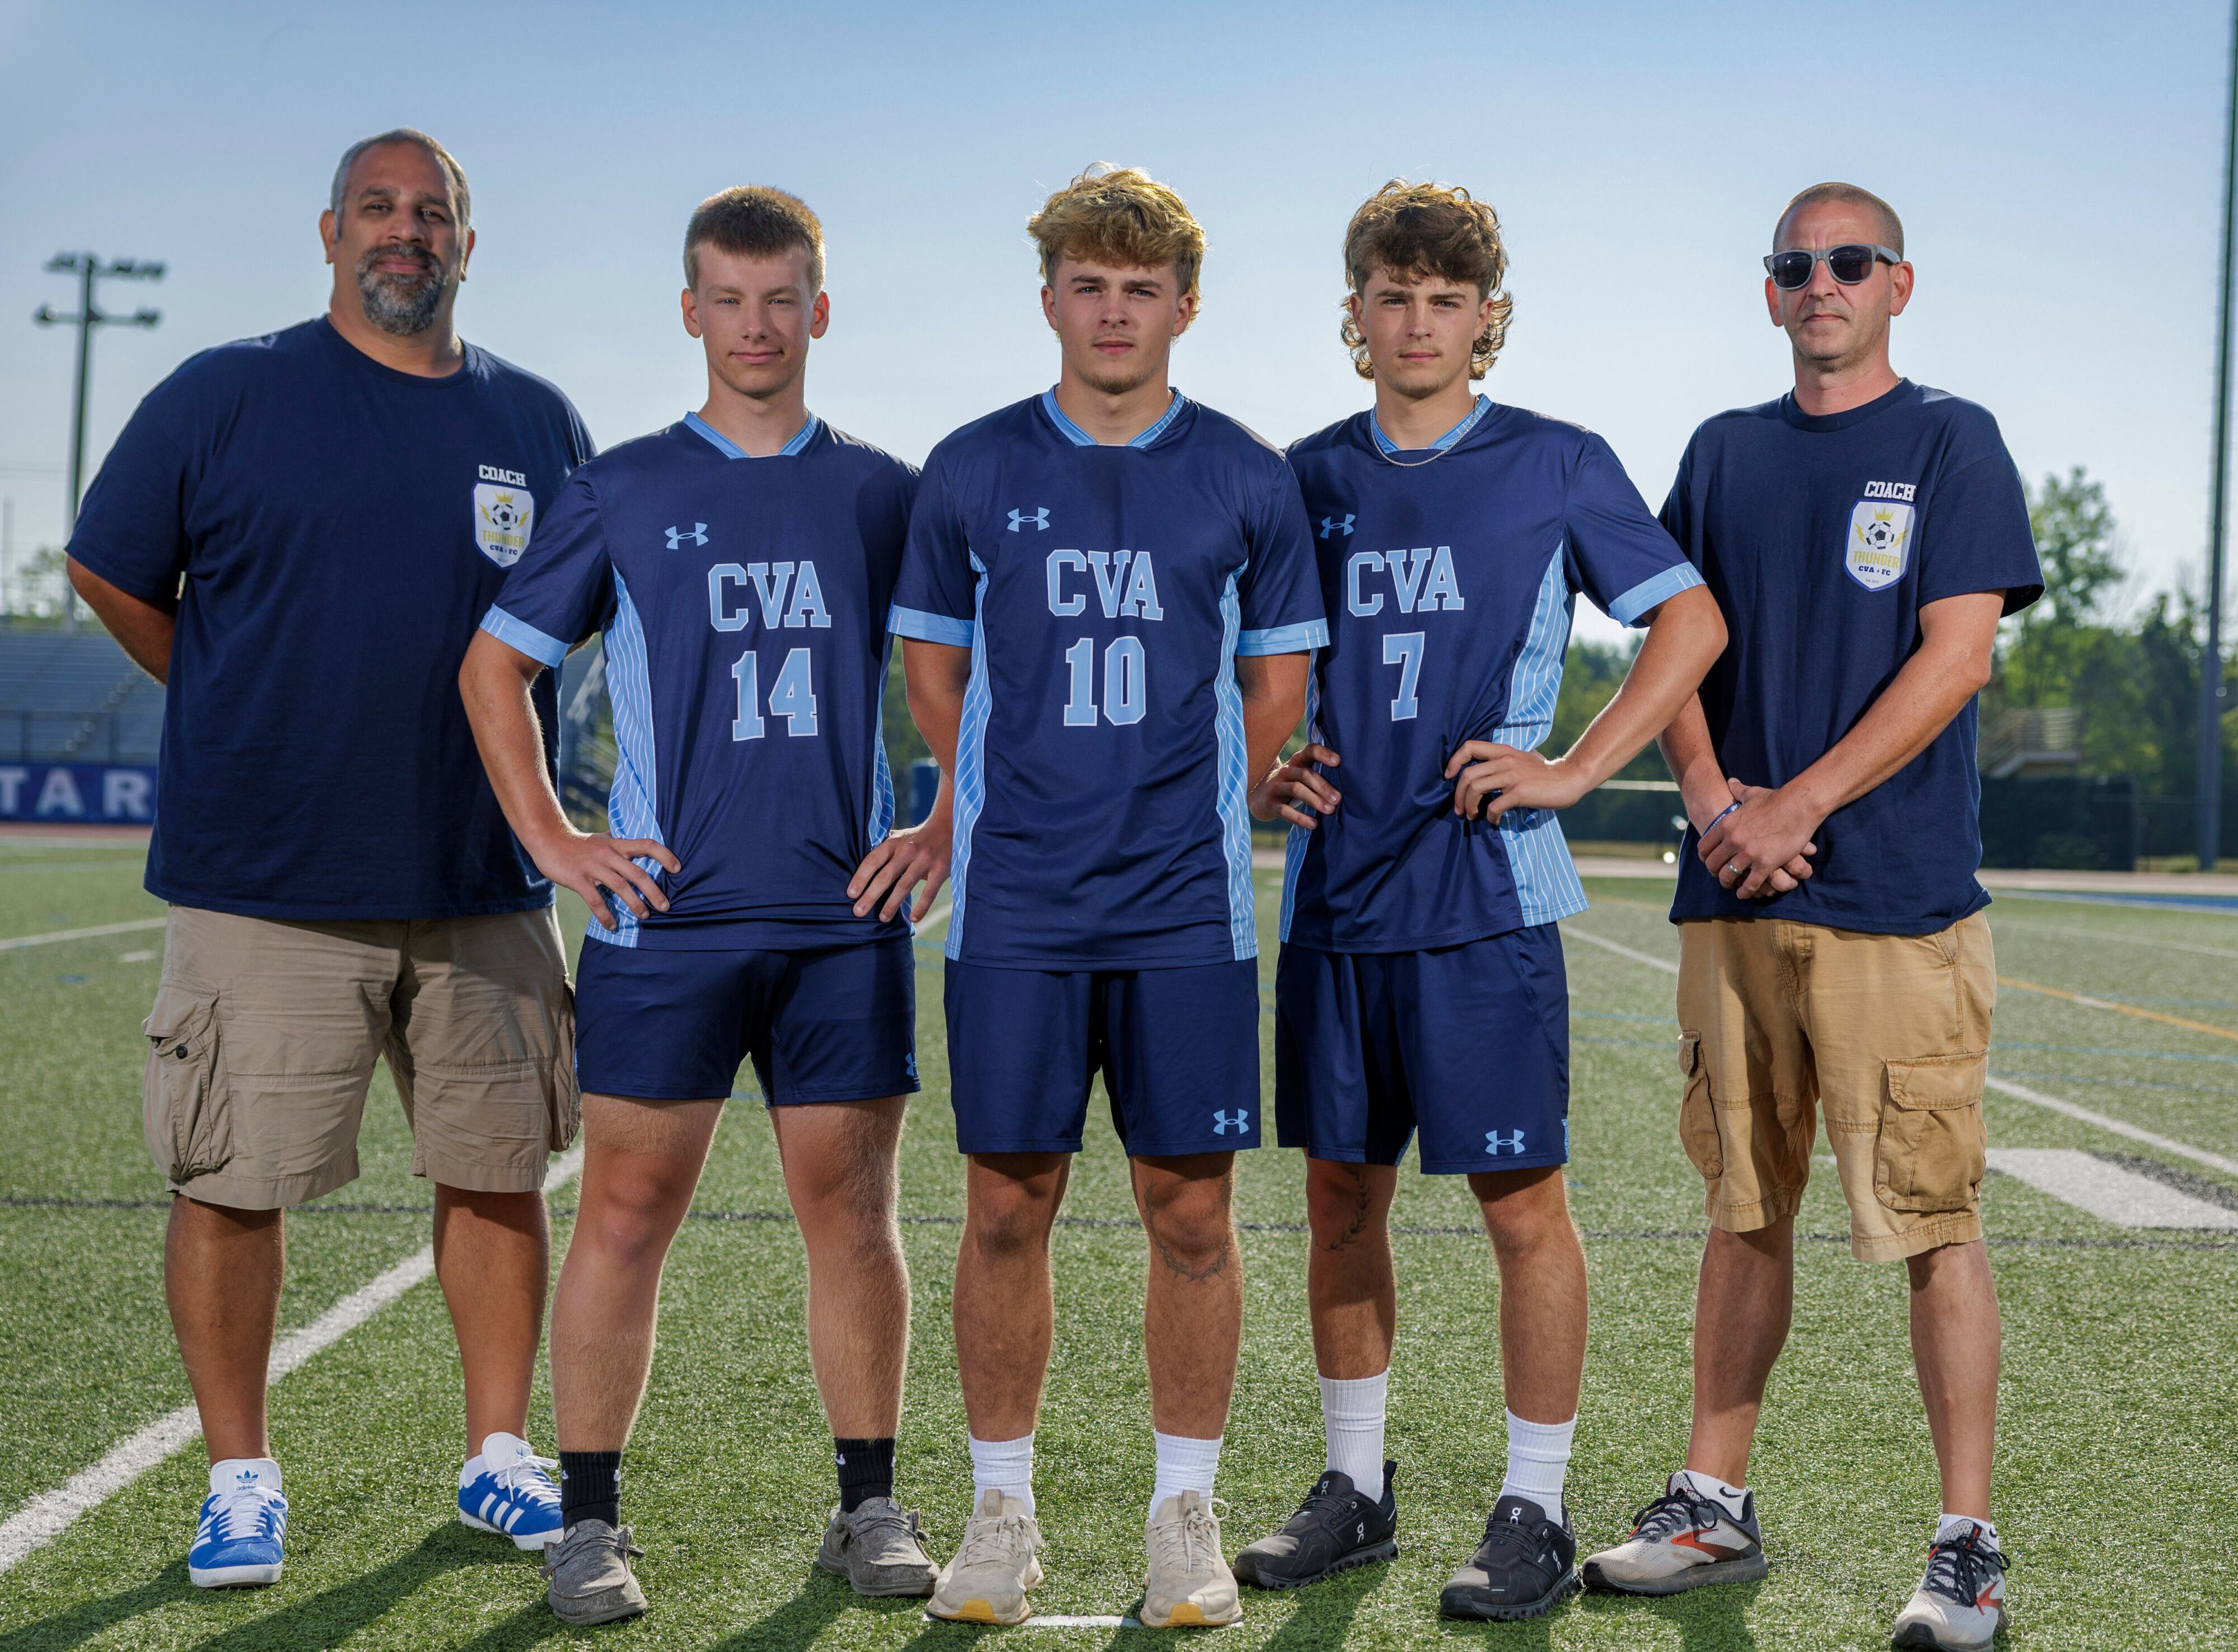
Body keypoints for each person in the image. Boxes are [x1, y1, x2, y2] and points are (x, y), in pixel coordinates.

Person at [64, 128, 592, 1587]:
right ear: (330, 231)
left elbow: (577, 616)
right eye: (378, 208)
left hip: (482, 876)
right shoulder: (224, 392)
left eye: (433, 212)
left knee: (495, 1172)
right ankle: (239, 1477)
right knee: (232, 1181)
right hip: (267, 876)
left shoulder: (538, 418)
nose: (404, 231)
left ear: (467, 243)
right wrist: (228, 691)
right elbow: (107, 566)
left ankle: (498, 1453)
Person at [1237, 181, 1727, 1621]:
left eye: (1444, 301)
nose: (1417, 324)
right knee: (1340, 1201)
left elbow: (1690, 621)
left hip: (1484, 894)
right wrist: (1264, 766)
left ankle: (1534, 1502)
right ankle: (1355, 1489)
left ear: (1486, 318)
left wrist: (1573, 767)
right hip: (1335, 897)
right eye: (1392, 297)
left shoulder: (1555, 461)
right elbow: (1245, 658)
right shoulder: (1301, 475)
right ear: (1354, 313)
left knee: (1524, 1211)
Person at [459, 186, 947, 1626]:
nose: (755, 325)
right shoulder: (622, 486)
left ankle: (869, 1503)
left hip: (839, 920)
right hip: (665, 921)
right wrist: (555, 838)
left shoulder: (883, 491)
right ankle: (589, 1522)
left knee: (852, 1216)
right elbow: (495, 667)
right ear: (691, 311)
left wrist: (942, 821)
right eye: (728, 299)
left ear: (819, 309)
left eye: (780, 298)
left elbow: (969, 673)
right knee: (622, 1213)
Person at [1580, 182, 2041, 1652]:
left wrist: (1798, 807)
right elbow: (1676, 643)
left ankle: (1963, 1551)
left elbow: (1955, 657)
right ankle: (1710, 1505)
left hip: (1893, 904)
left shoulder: (1951, 440)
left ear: (1898, 282)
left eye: (1849, 260)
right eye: (1795, 263)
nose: (1820, 282)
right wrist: (1716, 801)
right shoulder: (1721, 451)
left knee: (1931, 1223)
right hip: (1730, 895)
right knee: (1740, 1210)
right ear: (1767, 290)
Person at [889, 165, 1325, 1628]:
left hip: (1184, 905)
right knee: (1004, 1206)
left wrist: (1192, 794)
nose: (1115, 311)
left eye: (1142, 288)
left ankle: (1181, 1515)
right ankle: (998, 1513)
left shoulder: (1246, 475)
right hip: (1015, 902)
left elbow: (1275, 685)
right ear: (1049, 300)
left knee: (1189, 1213)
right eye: (1090, 285)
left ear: (1183, 307)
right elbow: (934, 673)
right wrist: (1000, 796)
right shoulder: (970, 468)